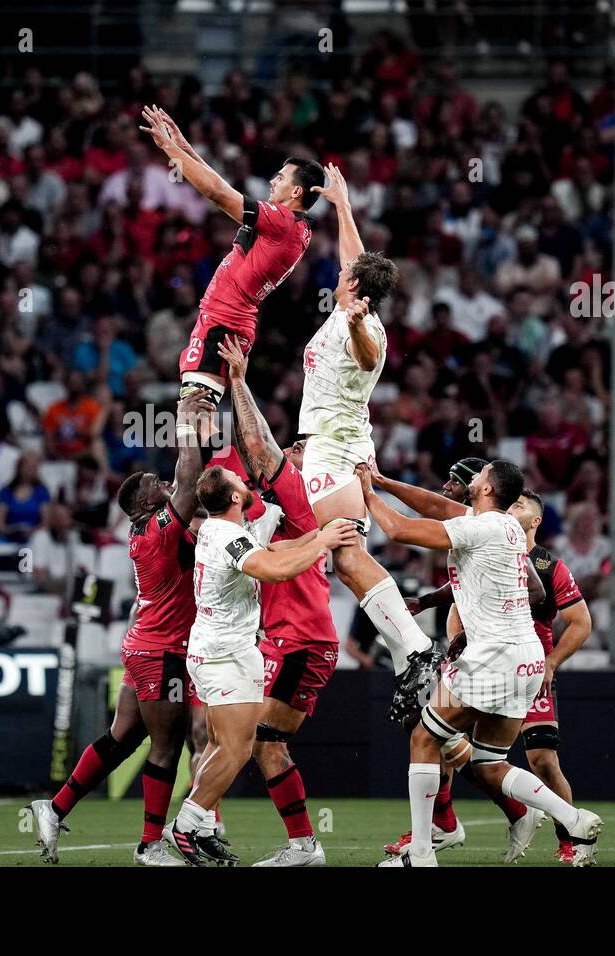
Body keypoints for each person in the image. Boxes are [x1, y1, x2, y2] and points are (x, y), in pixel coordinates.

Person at [360, 460, 602, 867]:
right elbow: (436, 506)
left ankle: (422, 852)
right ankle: (573, 817)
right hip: (526, 656)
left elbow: (400, 530)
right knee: (489, 763)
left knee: (423, 735)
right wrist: (383, 481)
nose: (470, 480)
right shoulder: (507, 526)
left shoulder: (482, 527)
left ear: (488, 489)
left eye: (478, 474)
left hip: (493, 656)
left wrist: (368, 494)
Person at [27, 391, 216, 866]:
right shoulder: (157, 529)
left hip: (144, 645)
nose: (164, 483)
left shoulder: (150, 529)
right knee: (167, 747)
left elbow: (185, 486)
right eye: (156, 484)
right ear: (141, 504)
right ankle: (150, 845)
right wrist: (187, 426)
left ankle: (53, 808)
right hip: (163, 650)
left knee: (123, 737)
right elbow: (190, 482)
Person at [291, 163, 439, 722]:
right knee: (331, 550)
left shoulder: (366, 326)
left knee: (348, 553)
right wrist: (342, 204)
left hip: (338, 449)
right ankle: (408, 650)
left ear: (355, 290)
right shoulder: (347, 301)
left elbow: (369, 356)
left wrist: (354, 321)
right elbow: (351, 256)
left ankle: (414, 647)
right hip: (327, 445)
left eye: (347, 279)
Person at [167, 466, 356, 866]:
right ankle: (185, 823)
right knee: (238, 749)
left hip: (216, 650)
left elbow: (273, 552)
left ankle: (198, 827)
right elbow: (274, 571)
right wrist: (321, 542)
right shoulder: (230, 536)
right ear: (235, 498)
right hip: (226, 655)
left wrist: (321, 537)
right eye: (239, 483)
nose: (246, 484)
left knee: (220, 745)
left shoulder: (221, 531)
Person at [218, 338, 338, 866]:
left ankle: (300, 845)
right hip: (286, 642)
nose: (292, 451)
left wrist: (239, 382)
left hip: (303, 642)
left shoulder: (301, 499)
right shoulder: (284, 510)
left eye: (301, 450)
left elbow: (261, 447)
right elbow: (251, 456)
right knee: (245, 735)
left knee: (258, 740)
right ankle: (207, 823)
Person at [137, 104, 321, 405]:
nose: (273, 181)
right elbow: (221, 186)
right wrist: (183, 145)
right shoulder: (293, 227)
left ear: (297, 192)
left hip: (223, 322)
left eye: (281, 177)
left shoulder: (282, 220)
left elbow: (219, 195)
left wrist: (168, 149)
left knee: (193, 421)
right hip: (226, 320)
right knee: (195, 422)